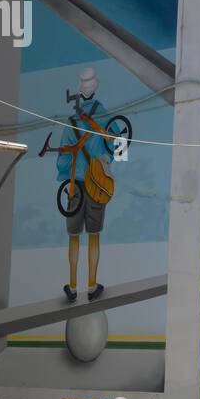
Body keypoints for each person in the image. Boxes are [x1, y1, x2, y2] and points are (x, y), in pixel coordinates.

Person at [56, 67, 111, 302]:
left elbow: (63, 158)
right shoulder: (105, 116)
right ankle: (91, 286)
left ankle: (72, 285)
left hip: (75, 186)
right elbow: (116, 146)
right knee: (94, 234)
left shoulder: (71, 122)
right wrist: (106, 165)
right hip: (96, 184)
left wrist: (66, 180)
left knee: (74, 235)